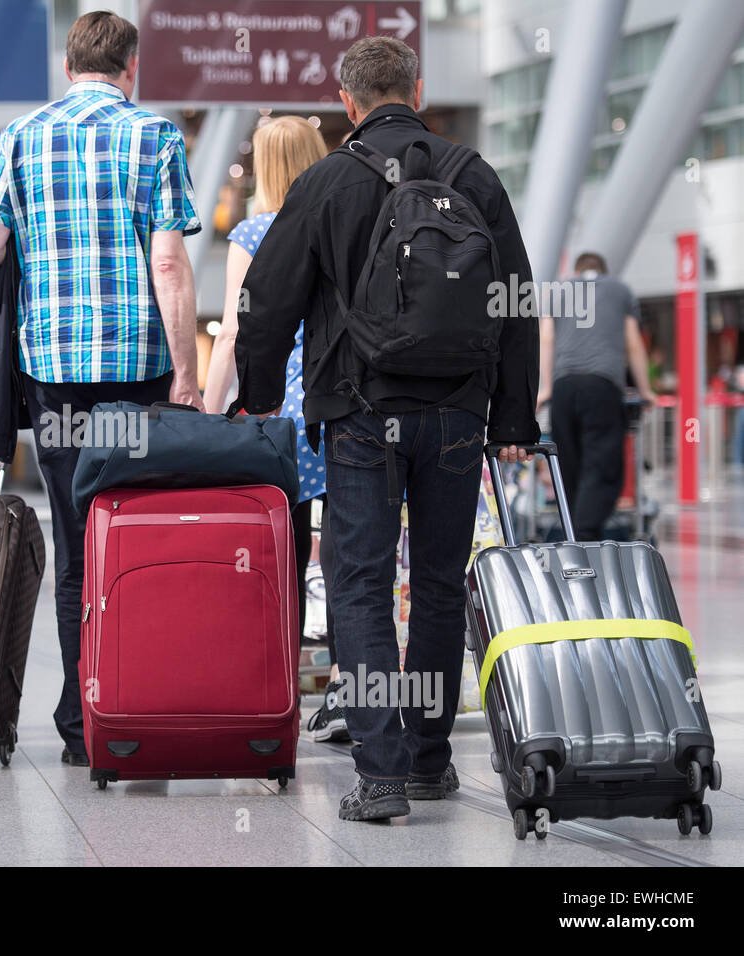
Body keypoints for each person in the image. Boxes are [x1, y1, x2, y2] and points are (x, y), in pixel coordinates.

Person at [234, 36, 539, 821]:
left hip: (360, 411)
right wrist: (513, 415)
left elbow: (268, 300)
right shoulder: (471, 173)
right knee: (439, 584)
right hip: (457, 414)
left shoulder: (327, 180)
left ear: (347, 102)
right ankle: (432, 758)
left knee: (362, 585)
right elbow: (516, 299)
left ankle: (382, 775)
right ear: (419, 89)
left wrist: (262, 394)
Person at [0, 10, 202, 767]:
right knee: (137, 529)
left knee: (77, 540)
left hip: (55, 372)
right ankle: (142, 702)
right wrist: (189, 374)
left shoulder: (21, 137)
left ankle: (81, 723)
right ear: (130, 65)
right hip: (138, 367)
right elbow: (168, 265)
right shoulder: (157, 136)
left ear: (70, 65)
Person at [200, 116, 346, 741]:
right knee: (349, 550)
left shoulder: (255, 231)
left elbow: (235, 330)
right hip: (337, 399)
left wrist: (207, 414)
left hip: (275, 411)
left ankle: (276, 683)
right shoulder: (341, 221)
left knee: (278, 547)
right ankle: (347, 684)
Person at [538, 252, 657, 540]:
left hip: (564, 388)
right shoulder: (620, 290)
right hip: (602, 386)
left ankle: (571, 531)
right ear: (604, 271)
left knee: (569, 461)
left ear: (577, 271)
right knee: (602, 463)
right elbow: (633, 343)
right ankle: (586, 534)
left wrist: (546, 388)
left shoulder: (560, 290)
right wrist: (645, 390)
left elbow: (546, 338)